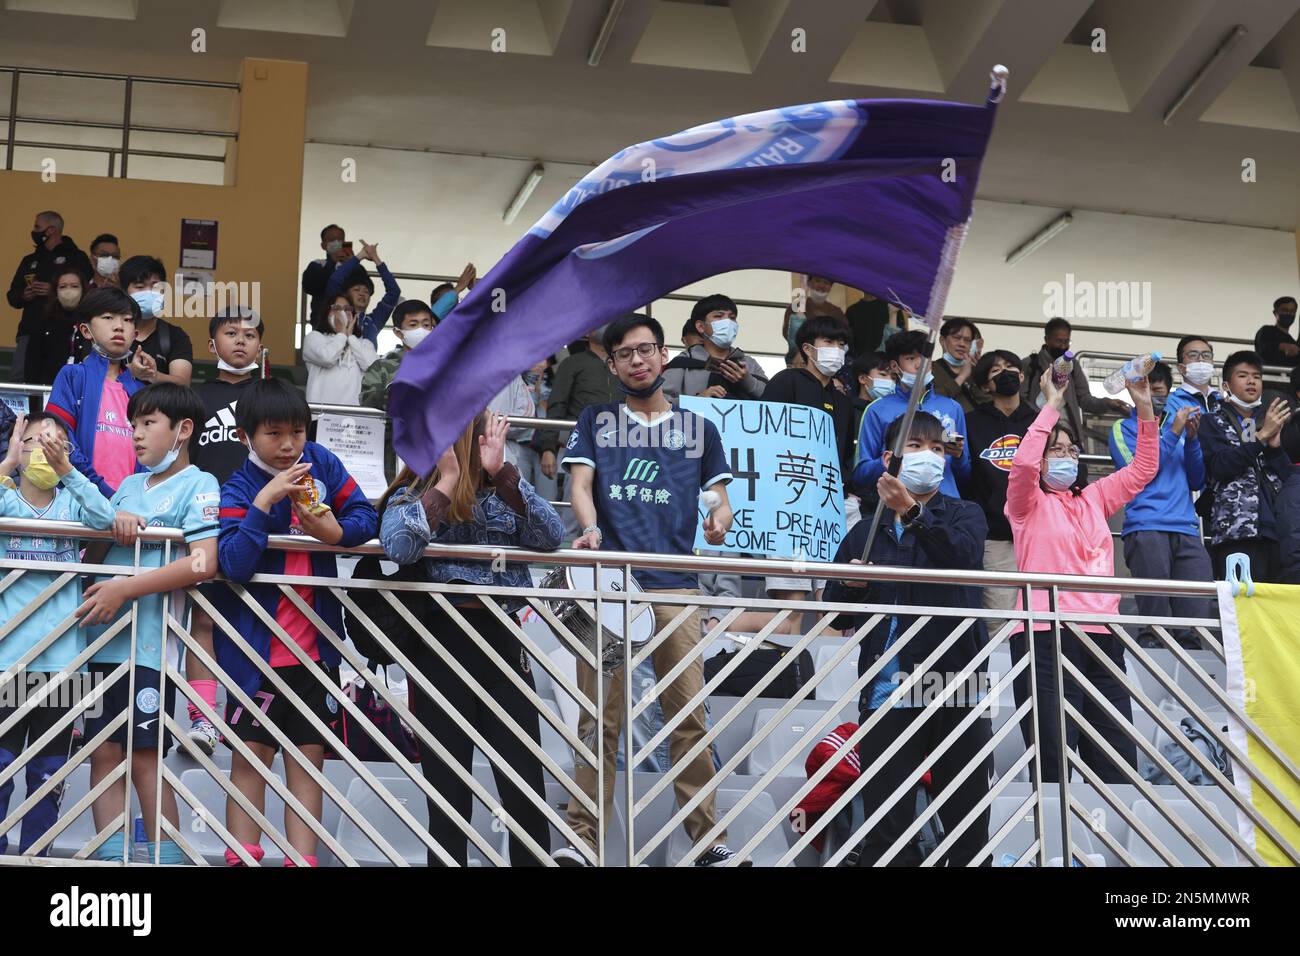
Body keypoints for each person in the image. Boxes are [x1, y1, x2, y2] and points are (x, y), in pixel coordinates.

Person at [553, 312, 745, 867]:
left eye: (646, 350)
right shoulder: (595, 419)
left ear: (664, 356)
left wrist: (721, 517)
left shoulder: (699, 430)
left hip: (676, 586)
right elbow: (580, 486)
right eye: (625, 354)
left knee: (687, 716)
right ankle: (582, 840)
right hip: (611, 588)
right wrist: (588, 528)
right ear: (611, 365)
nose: (637, 360)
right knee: (600, 718)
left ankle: (708, 845)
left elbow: (719, 498)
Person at [379, 412, 562, 865]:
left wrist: (503, 473)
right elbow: (399, 546)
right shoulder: (417, 493)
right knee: (447, 788)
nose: (486, 442)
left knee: (524, 785)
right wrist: (449, 479)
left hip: (502, 640)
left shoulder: (503, 492)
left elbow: (551, 535)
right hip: (440, 642)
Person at [215, 379, 378, 867]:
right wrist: (265, 504)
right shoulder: (239, 486)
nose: (289, 445)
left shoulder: (322, 462)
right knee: (250, 762)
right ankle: (242, 858)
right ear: (246, 436)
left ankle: (300, 862)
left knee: (307, 762)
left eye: (298, 432)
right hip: (255, 656)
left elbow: (366, 516)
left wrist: (336, 532)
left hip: (315, 651)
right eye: (274, 434)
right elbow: (234, 563)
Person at [823, 411, 991, 866]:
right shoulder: (865, 529)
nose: (930, 458)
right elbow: (839, 612)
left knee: (968, 818)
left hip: (954, 677)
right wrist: (848, 586)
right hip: (887, 685)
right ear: (889, 459)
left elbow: (962, 558)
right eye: (917, 447)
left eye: (938, 450)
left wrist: (911, 511)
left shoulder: (964, 513)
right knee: (886, 824)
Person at [76, 384, 221, 865]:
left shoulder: (201, 483)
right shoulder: (127, 486)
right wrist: (107, 522)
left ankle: (167, 858)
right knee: (103, 756)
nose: (136, 434)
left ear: (183, 431)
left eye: (148, 423)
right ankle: (113, 860)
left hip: (150, 650)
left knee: (144, 759)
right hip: (102, 645)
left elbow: (203, 564)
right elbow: (92, 555)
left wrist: (126, 588)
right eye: (133, 424)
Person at [1005, 365, 1158, 781]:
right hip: (1044, 632)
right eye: (1057, 450)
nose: (1067, 457)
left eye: (1073, 451)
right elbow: (1020, 466)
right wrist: (1051, 405)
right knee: (1053, 754)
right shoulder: (1025, 503)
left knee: (1116, 758)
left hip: (1102, 635)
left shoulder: (1092, 498)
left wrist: (1142, 405)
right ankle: (1054, 846)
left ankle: (1107, 845)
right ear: (1040, 460)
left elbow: (1143, 470)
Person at [0, 412, 114, 857]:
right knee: (3, 766)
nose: (44, 449)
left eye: (56, 442)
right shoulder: (7, 501)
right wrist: (8, 463)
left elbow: (105, 516)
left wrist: (69, 471)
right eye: (33, 441)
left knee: (48, 774)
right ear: (18, 448)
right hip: (9, 663)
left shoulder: (72, 504)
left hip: (64, 666)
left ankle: (36, 857)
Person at [182, 307, 264, 753]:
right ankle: (204, 718)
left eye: (249, 334)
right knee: (205, 619)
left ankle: (247, 718)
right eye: (230, 333)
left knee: (256, 623)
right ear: (212, 344)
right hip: (206, 521)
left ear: (260, 345)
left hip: (259, 523)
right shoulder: (195, 398)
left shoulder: (274, 393)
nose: (240, 341)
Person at [1108, 362, 1213, 648]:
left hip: (1187, 528)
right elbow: (1139, 472)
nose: (1155, 394)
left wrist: (1191, 440)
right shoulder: (1122, 428)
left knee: (1194, 626)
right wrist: (1175, 433)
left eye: (1159, 389)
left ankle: (1192, 682)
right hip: (1147, 526)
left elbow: (1196, 480)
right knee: (1153, 624)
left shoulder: (1177, 425)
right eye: (1147, 388)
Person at [1198, 351, 1293, 582]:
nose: (1251, 381)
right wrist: (1261, 438)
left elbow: (1287, 477)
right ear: (1226, 385)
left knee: (1276, 613)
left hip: (1277, 533)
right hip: (1237, 533)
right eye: (1243, 375)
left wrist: (1275, 448)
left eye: (1257, 376)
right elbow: (1220, 467)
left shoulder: (1268, 421)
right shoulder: (1213, 421)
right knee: (1242, 611)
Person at [48, 288, 146, 497]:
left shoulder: (141, 391)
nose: (119, 326)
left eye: (128, 320)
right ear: (85, 331)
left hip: (131, 506)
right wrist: (99, 491)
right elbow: (61, 439)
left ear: (135, 335)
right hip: (78, 498)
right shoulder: (72, 376)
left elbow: (151, 454)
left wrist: (132, 499)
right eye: (108, 317)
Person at [964, 350, 1035, 634]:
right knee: (1001, 621)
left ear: (1021, 375)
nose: (1005, 373)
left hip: (1037, 535)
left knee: (1039, 617)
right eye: (995, 371)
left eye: (1010, 367)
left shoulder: (1040, 420)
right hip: (995, 539)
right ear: (984, 385)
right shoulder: (971, 423)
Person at [853, 330, 970, 498]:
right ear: (894, 366)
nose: (919, 365)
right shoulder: (876, 410)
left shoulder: (952, 408)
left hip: (947, 504)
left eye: (925, 358)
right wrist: (893, 460)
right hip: (896, 503)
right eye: (910, 358)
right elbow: (861, 475)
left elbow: (965, 477)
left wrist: (959, 457)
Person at [540, 325, 620, 533]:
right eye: (601, 321)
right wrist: (547, 448)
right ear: (587, 332)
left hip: (620, 450)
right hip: (580, 449)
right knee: (573, 513)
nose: (606, 324)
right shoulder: (572, 363)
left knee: (615, 514)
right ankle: (566, 563)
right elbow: (557, 405)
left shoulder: (623, 363)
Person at [7, 211, 92, 383]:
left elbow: (88, 294)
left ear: (51, 230)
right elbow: (12, 297)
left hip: (66, 331)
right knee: (19, 381)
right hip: (30, 330)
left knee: (61, 382)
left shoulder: (76, 257)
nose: (34, 231)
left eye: (38, 227)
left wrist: (54, 291)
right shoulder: (29, 260)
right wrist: (25, 295)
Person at [1021, 317, 1129, 442]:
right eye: (1058, 341)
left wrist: (1108, 403)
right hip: (1038, 434)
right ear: (1047, 340)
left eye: (1067, 342)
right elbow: (1022, 401)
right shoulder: (1030, 364)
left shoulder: (1072, 366)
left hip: (1069, 435)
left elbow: (1085, 400)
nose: (1063, 346)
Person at [662, 294, 768, 403]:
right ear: (701, 327)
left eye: (732, 318)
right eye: (718, 316)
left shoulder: (749, 363)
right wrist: (696, 401)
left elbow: (775, 400)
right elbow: (659, 402)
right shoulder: (683, 363)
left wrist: (748, 381)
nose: (727, 322)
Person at [119, 255, 194, 387]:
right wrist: (129, 372)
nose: (149, 293)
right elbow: (94, 376)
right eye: (140, 287)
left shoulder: (175, 336)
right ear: (124, 292)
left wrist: (152, 375)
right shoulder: (110, 332)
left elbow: (183, 384)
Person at [303, 292, 378, 408]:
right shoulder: (314, 338)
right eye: (336, 308)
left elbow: (372, 368)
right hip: (320, 415)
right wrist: (342, 334)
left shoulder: (364, 343)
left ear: (353, 315)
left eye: (347, 309)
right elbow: (327, 358)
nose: (342, 313)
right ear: (326, 313)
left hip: (355, 416)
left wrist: (351, 337)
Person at [321, 239, 399, 348]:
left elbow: (394, 292)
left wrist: (376, 259)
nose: (362, 294)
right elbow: (335, 280)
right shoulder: (337, 315)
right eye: (357, 290)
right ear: (346, 295)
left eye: (366, 292)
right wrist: (360, 256)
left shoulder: (373, 321)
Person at [27, 264, 86, 386]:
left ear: (83, 289)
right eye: (63, 286)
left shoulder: (92, 321)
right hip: (49, 389)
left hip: (83, 389)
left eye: (75, 286)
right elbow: (32, 362)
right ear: (55, 291)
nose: (69, 291)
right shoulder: (44, 320)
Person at [516, 356, 558, 501]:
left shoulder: (556, 382)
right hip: (520, 441)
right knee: (519, 494)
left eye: (546, 359)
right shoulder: (516, 381)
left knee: (548, 497)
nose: (542, 363)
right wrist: (536, 393)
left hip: (546, 445)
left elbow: (555, 408)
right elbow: (523, 409)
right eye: (538, 358)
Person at [782, 275, 846, 364]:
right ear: (809, 283)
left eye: (826, 283)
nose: (821, 285)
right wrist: (802, 292)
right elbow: (789, 334)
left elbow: (844, 339)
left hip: (828, 360)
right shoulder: (795, 305)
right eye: (817, 281)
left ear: (831, 287)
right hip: (800, 360)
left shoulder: (837, 311)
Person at [300, 224, 354, 327]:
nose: (337, 242)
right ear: (323, 245)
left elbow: (367, 288)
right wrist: (332, 262)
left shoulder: (352, 265)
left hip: (350, 323)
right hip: (321, 324)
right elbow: (309, 286)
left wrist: (353, 263)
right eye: (332, 239)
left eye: (340, 239)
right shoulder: (317, 265)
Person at [931, 318, 984, 412]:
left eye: (967, 340)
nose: (962, 344)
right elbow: (930, 400)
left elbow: (991, 401)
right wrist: (962, 377)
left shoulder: (977, 371)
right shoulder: (929, 369)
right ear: (942, 340)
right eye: (956, 338)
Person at [844, 291, 903, 362]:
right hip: (861, 363)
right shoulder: (852, 311)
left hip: (887, 361)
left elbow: (899, 337)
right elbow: (849, 340)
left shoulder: (891, 307)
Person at [1253, 296, 1299, 369]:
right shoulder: (1266, 331)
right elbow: (1262, 349)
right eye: (1284, 310)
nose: (1288, 313)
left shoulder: (1293, 342)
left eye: (1292, 311)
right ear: (1275, 313)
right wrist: (1282, 346)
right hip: (1268, 376)